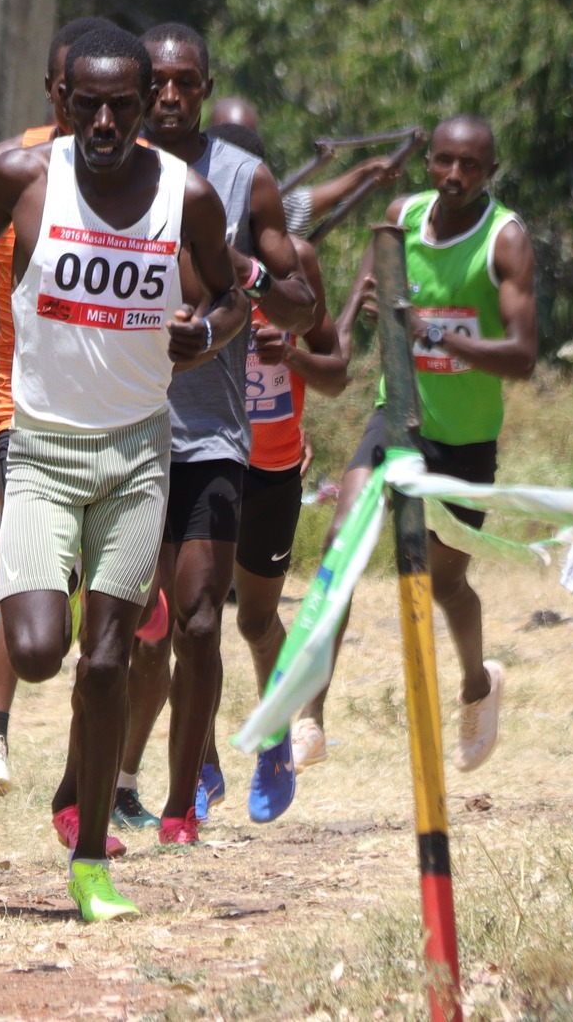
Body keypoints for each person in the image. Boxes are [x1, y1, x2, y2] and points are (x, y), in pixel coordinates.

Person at [0, 24, 253, 922]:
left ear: (149, 102)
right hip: (42, 450)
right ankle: (73, 587)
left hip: (137, 454)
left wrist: (210, 333)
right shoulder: (22, 179)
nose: (110, 120)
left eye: (126, 103)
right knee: (42, 649)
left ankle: (90, 863)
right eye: (90, 104)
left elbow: (239, 291)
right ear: (65, 103)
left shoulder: (185, 195)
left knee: (109, 658)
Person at [295, 116, 536, 774]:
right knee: (341, 545)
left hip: (465, 440)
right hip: (395, 419)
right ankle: (310, 713)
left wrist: (439, 335)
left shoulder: (504, 239)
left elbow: (522, 355)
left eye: (470, 166)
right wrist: (350, 325)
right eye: (444, 162)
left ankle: (477, 686)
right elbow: (347, 332)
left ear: (490, 170)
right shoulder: (400, 218)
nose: (455, 176)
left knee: (443, 579)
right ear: (428, 163)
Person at [123, 23, 316, 843]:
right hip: (124, 427)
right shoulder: (102, 169)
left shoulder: (245, 179)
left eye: (186, 82)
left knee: (204, 615)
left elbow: (301, 298)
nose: (170, 96)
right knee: (148, 622)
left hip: (210, 435)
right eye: (157, 82)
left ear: (204, 88)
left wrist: (254, 280)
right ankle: (182, 757)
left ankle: (184, 798)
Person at [0, 14, 112, 799]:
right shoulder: (15, 166)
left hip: (112, 412)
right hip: (25, 402)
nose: (81, 106)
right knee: (24, 576)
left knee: (97, 593)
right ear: (55, 89)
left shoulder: (131, 172)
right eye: (67, 90)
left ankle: (85, 775)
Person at [236, 233, 348, 821]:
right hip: (198, 459)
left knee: (255, 620)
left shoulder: (295, 263)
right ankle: (195, 773)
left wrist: (292, 356)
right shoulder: (178, 243)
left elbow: (336, 375)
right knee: (187, 617)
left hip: (274, 470)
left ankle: (275, 733)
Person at [206, 97, 405, 238]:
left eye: (245, 146)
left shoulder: (262, 199)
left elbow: (304, 202)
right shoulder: (190, 190)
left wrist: (366, 171)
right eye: (228, 144)